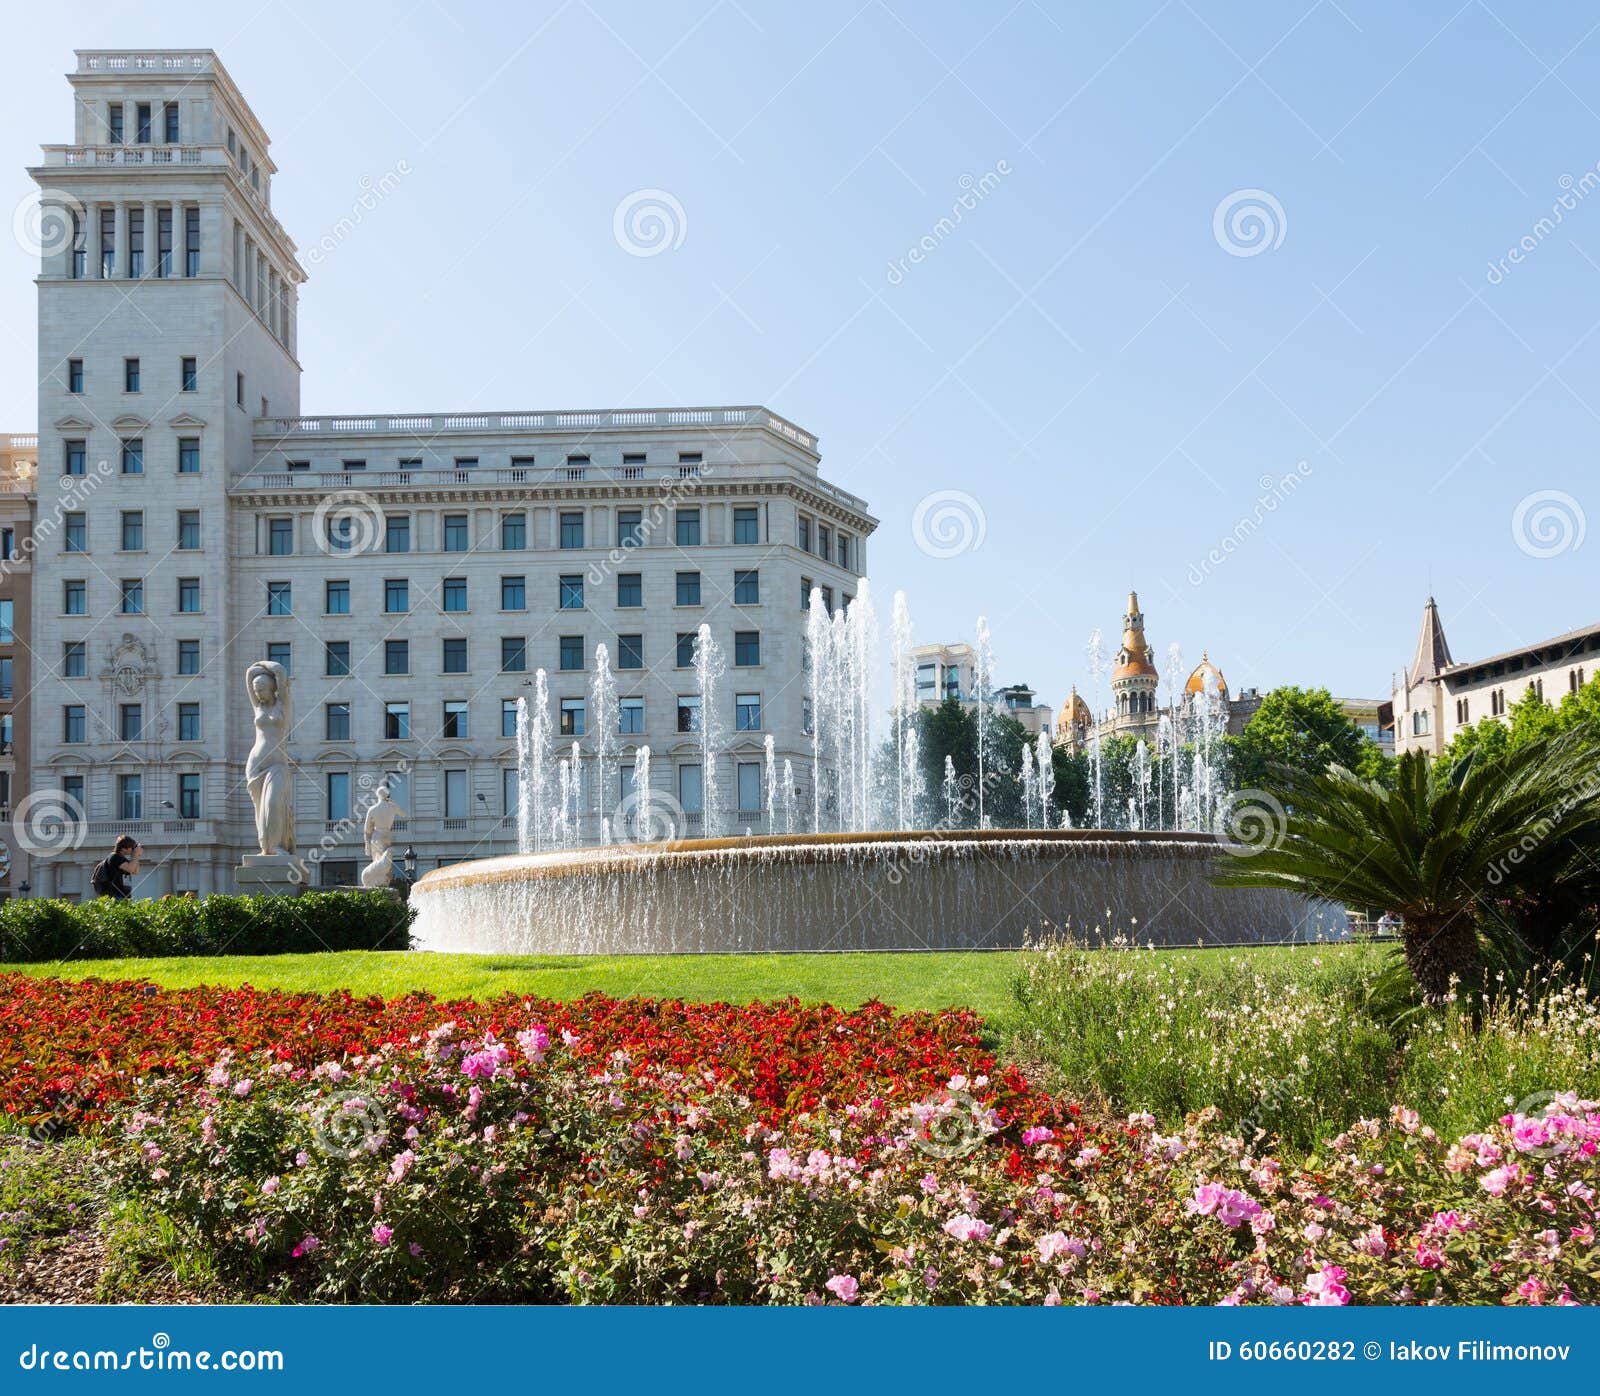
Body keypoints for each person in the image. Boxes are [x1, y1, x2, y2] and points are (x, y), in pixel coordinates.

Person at [92, 834, 141, 899]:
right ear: (124, 848)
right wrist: (136, 854)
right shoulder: (115, 857)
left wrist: (137, 856)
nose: (133, 849)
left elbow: (135, 871)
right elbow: (130, 869)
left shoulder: (122, 859)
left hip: (123, 895)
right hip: (115, 895)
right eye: (131, 847)